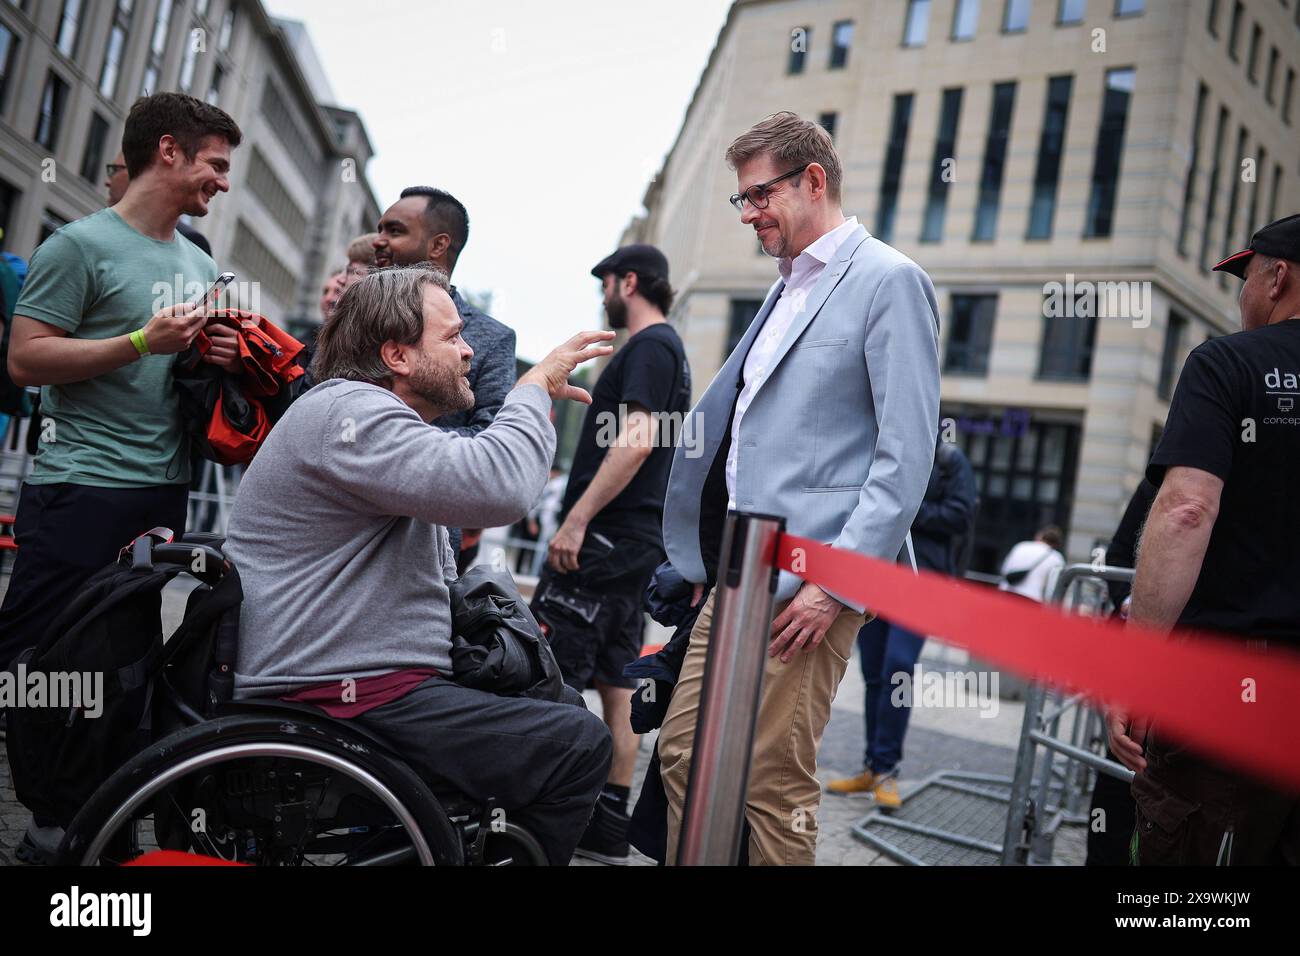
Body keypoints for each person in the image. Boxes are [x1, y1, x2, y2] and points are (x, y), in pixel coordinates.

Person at [222, 266, 616, 865]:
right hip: (332, 694)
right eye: (453, 336)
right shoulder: (348, 415)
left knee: (554, 701)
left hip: (365, 681)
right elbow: (498, 484)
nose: (468, 353)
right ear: (397, 355)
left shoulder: (369, 417)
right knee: (577, 743)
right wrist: (531, 390)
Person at [656, 112, 940, 865]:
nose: (749, 214)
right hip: (740, 570)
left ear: (814, 181)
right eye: (741, 201)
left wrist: (837, 583)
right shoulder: (787, 290)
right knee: (685, 754)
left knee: (769, 781)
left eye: (759, 196)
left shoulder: (889, 280)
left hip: (816, 583)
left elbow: (906, 455)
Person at [1, 92, 242, 862]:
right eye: (216, 165)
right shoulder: (79, 245)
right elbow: (26, 357)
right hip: (80, 489)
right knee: (42, 661)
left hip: (160, 493)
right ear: (167, 150)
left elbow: (184, 374)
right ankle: (46, 818)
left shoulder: (199, 261)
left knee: (122, 663)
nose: (223, 183)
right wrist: (141, 339)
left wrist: (218, 357)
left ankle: (88, 812)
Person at [1108, 214, 1300, 865]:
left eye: (1245, 279)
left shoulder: (1227, 364)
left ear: (1278, 277)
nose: (1241, 296)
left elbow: (1186, 509)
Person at [530, 243, 691, 864]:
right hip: (634, 543)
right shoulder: (669, 352)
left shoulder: (650, 347)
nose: (602, 297)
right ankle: (606, 824)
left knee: (549, 671)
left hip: (605, 540)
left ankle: (545, 813)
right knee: (616, 682)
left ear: (628, 281)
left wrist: (576, 518)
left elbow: (639, 438)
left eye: (605, 284)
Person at [827, 436, 977, 807]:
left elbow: (960, 515)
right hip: (878, 578)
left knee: (898, 668)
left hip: (923, 582)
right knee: (874, 673)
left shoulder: (949, 459)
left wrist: (905, 507)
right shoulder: (879, 451)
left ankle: (888, 770)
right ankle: (872, 767)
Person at [373, 186, 516, 563]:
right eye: (380, 229)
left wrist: (388, 440)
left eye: (395, 231)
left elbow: (490, 436)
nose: (379, 241)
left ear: (438, 245)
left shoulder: (491, 338)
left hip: (423, 545)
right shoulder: (354, 317)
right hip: (336, 523)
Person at [1085, 477, 1155, 866]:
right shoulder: (1161, 480)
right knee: (1120, 772)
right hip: (1139, 662)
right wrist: (1133, 604)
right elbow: (1117, 552)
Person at [105, 149, 212, 254]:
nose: (107, 182)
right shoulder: (102, 230)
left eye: (115, 170)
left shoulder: (191, 242)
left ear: (141, 173)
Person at [997, 525, 1065, 602]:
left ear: (1039, 536)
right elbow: (1054, 586)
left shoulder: (1021, 546)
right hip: (1032, 598)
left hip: (1007, 592)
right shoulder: (1057, 558)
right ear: (1057, 543)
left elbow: (1005, 569)